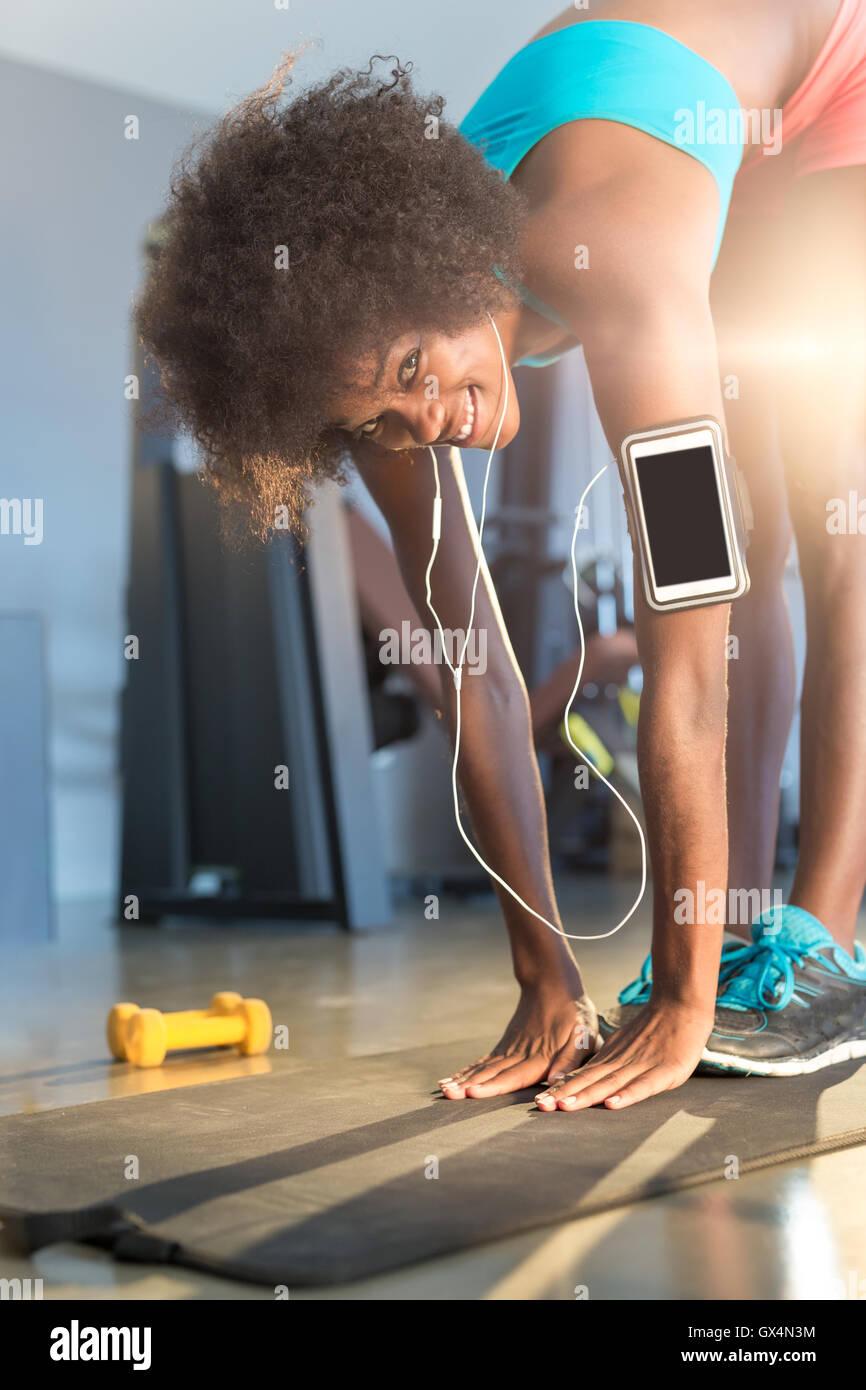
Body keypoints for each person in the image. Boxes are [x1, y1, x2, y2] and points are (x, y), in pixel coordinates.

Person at [136, 0, 866, 1110]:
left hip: (832, 56)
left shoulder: (615, 252)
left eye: (413, 369)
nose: (425, 424)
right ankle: (730, 936)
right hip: (701, 104)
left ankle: (815, 946)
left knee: (830, 501)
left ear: (435, 264)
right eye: (378, 417)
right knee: (749, 524)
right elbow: (472, 680)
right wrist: (544, 975)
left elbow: (685, 654)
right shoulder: (368, 373)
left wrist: (676, 1004)